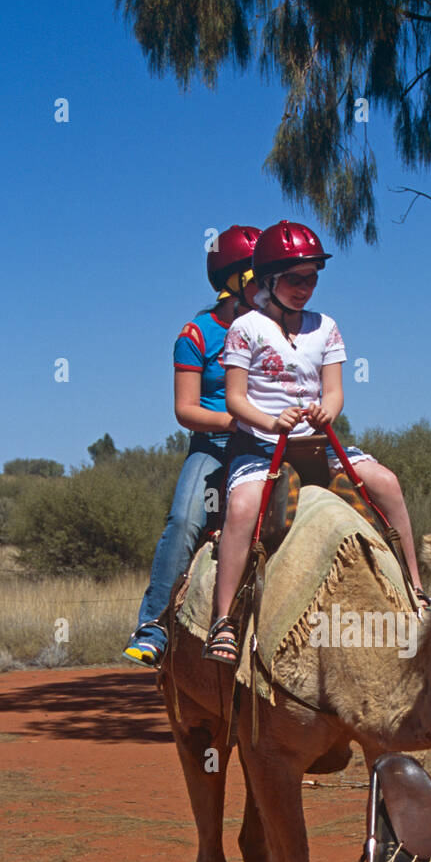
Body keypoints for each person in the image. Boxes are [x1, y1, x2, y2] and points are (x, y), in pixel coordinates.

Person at [202, 219, 429, 663]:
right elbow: (234, 398)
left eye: (312, 278)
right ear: (268, 279)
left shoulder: (325, 327)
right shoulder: (245, 328)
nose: (305, 288)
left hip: (318, 443)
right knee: (245, 507)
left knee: (386, 482)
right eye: (294, 279)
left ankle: (416, 591)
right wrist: (270, 420)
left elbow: (335, 390)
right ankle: (223, 620)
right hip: (261, 446)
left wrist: (329, 410)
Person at [122, 224, 262, 666]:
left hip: (268, 447)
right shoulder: (196, 335)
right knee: (184, 519)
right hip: (216, 447)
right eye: (261, 275)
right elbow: (185, 410)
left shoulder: (272, 330)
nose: (271, 285)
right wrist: (238, 421)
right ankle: (154, 625)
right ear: (235, 280)